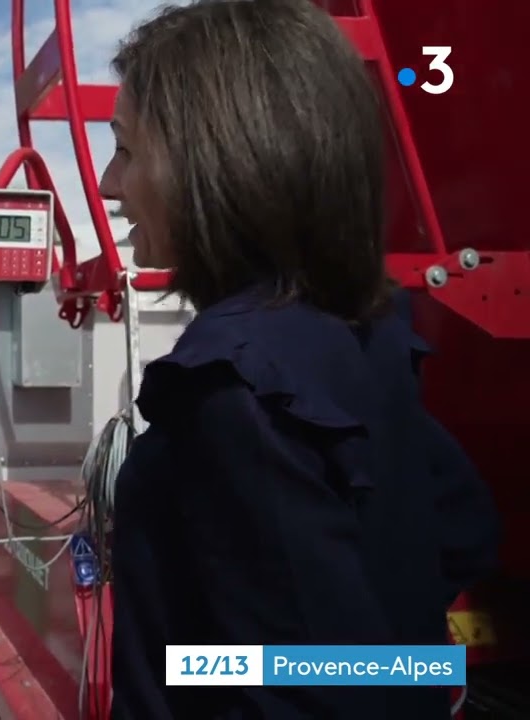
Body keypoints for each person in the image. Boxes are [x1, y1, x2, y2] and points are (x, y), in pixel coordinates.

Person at [101, 1, 501, 718]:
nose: (107, 182)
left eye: (126, 148)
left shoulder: (235, 387)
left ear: (219, 158)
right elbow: (462, 530)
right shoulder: (367, 330)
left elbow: (301, 692)